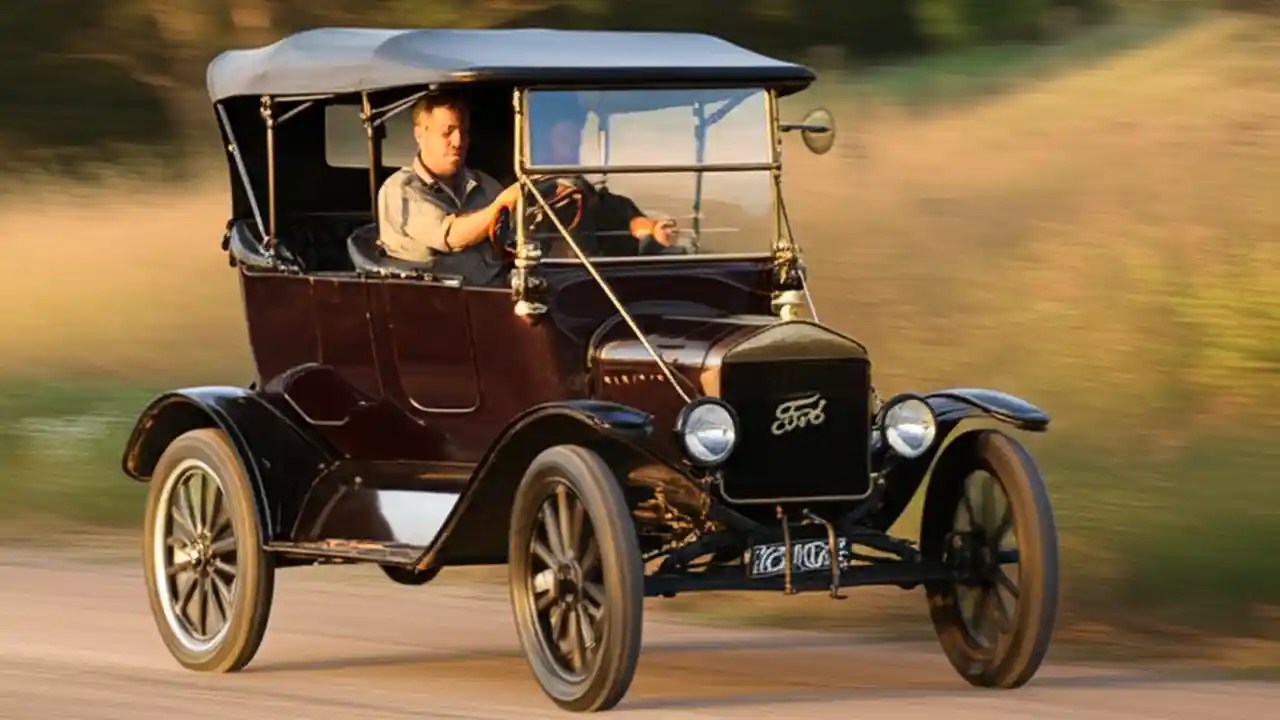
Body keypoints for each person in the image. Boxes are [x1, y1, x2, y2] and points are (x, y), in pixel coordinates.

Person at [376, 91, 520, 285]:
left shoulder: (485, 184)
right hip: (435, 302)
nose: (458, 142)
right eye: (447, 132)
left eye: (464, 131)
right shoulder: (401, 190)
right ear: (420, 134)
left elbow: (518, 235)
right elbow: (452, 236)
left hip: (499, 292)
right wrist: (502, 205)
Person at [529, 99, 679, 256]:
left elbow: (626, 218)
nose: (573, 149)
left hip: (597, 272)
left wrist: (653, 229)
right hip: (558, 274)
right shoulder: (529, 195)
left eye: (577, 142)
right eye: (565, 140)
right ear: (544, 144)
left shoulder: (586, 192)